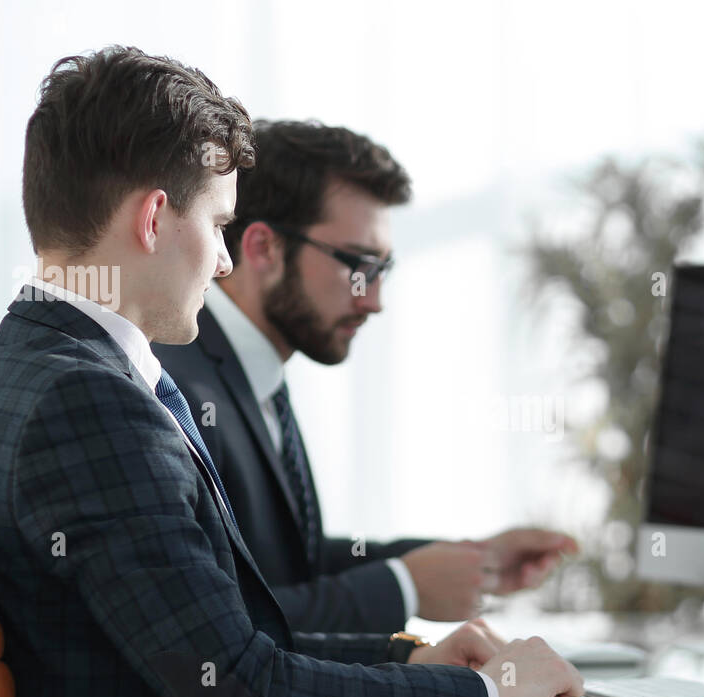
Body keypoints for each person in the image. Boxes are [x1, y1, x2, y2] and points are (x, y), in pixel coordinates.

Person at [0, 46, 583, 697]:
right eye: (220, 224)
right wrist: (485, 695)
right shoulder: (90, 403)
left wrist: (406, 657)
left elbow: (209, 635)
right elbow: (242, 691)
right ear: (156, 217)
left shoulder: (4, 373)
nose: (227, 259)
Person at [154, 120, 577, 637]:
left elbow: (288, 564)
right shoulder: (177, 388)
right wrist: (404, 586)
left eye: (382, 270)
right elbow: (228, 624)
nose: (373, 299)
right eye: (357, 265)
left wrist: (472, 562)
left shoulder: (253, 373)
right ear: (264, 249)